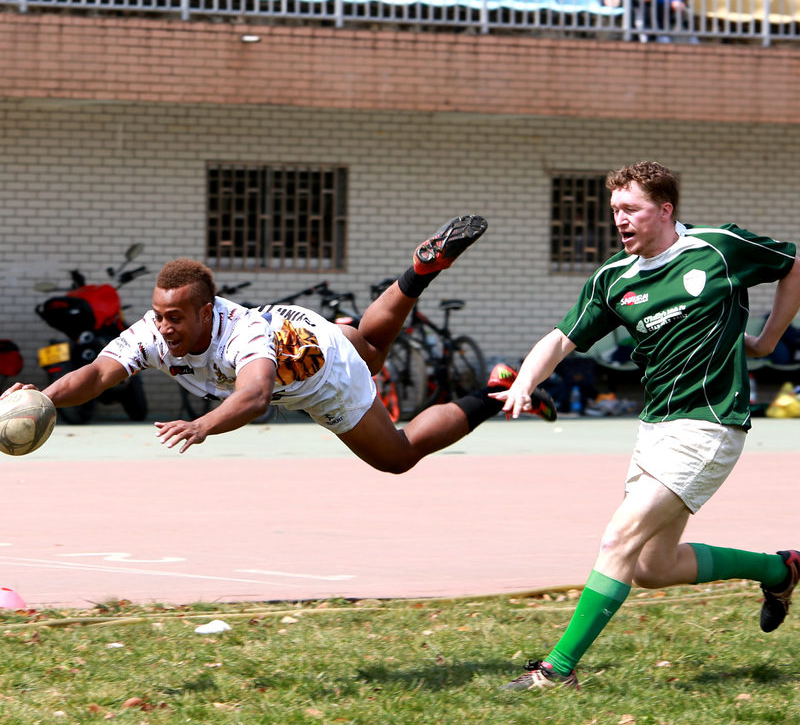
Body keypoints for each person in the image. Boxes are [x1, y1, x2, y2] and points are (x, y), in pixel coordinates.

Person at [495, 161, 800, 691]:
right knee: (651, 568)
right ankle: (780, 571)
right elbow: (561, 338)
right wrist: (525, 380)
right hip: (655, 429)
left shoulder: (718, 248)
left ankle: (556, 670)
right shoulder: (614, 278)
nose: (621, 220)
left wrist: (769, 340)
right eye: (615, 211)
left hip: (710, 426)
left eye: (631, 209)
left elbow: (794, 262)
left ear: (665, 209)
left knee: (619, 537)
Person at [8, 216, 556, 472]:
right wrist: (50, 398)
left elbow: (251, 397)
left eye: (175, 317)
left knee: (399, 455)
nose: (163, 327)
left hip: (320, 375)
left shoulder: (239, 333)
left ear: (206, 312)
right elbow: (99, 372)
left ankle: (494, 391)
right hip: (303, 329)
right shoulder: (155, 330)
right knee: (367, 342)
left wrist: (201, 426)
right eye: (158, 315)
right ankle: (420, 270)